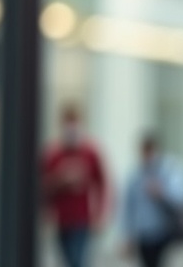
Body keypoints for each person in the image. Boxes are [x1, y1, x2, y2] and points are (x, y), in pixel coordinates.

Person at [41, 103, 110, 267]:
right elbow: (42, 186)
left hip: (82, 218)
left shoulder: (90, 152)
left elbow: (102, 184)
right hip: (61, 218)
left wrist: (100, 213)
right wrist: (60, 180)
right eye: (67, 123)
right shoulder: (54, 154)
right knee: (66, 259)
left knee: (77, 260)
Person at [121, 134, 183, 267]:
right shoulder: (135, 176)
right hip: (143, 233)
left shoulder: (170, 169)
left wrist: (162, 193)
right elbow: (129, 207)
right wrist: (127, 235)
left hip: (165, 231)